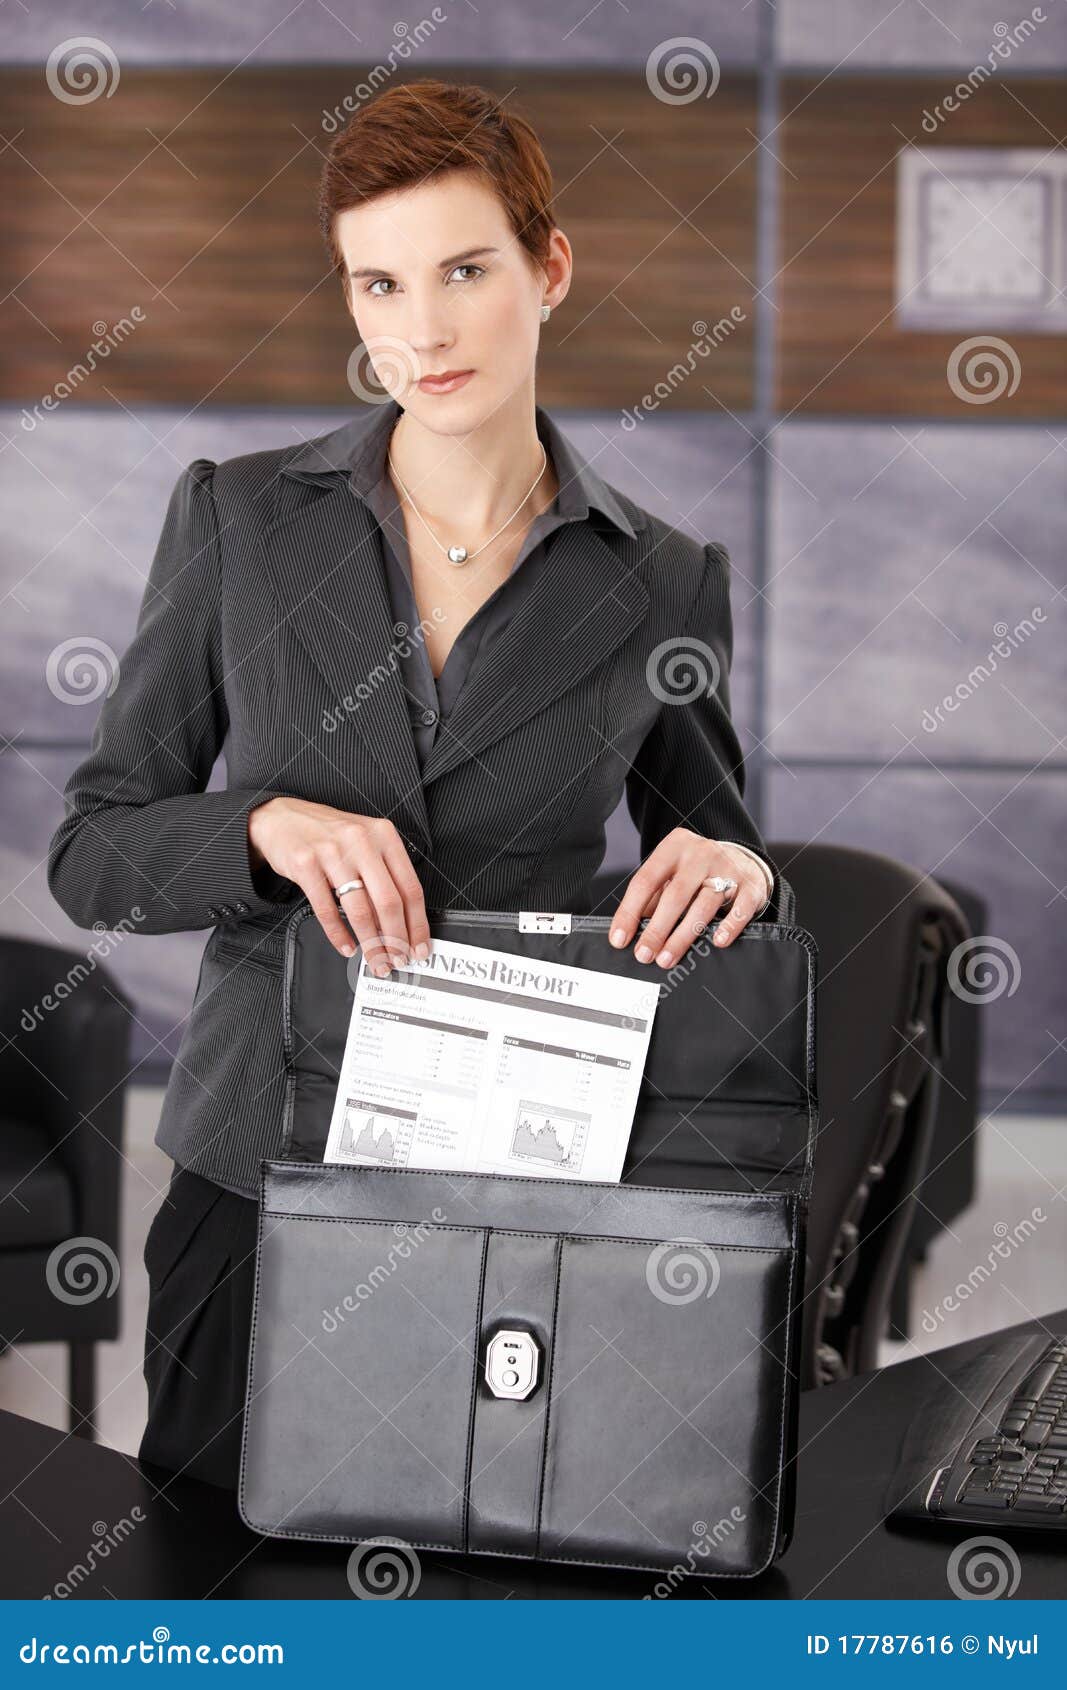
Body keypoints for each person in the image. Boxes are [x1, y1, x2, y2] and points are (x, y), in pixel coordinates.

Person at [46, 79, 782, 1493]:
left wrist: (740, 868)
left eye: (464, 271)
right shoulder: (239, 518)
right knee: (207, 1563)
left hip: (522, 1192)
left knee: (488, 1560)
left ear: (548, 269)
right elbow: (94, 854)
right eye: (380, 284)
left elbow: (723, 851)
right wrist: (263, 828)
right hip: (254, 1174)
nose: (423, 331)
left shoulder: (664, 581)